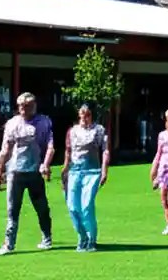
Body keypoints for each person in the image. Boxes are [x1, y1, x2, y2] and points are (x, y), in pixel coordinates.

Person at [0, 92, 54, 255]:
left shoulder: (43, 122)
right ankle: (9, 244)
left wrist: (45, 164)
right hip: (15, 172)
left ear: (34, 106)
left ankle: (46, 238)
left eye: (26, 106)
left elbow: (50, 146)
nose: (23, 109)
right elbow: (5, 149)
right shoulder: (12, 124)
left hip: (34, 172)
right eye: (20, 106)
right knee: (12, 210)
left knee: (41, 208)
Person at [60, 104, 109, 252]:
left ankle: (92, 239)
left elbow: (105, 151)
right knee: (72, 206)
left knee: (86, 205)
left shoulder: (99, 130)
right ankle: (82, 236)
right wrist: (64, 170)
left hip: (92, 171)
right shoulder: (73, 131)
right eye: (82, 114)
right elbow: (68, 151)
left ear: (91, 115)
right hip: (74, 171)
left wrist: (104, 170)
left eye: (87, 114)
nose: (84, 117)